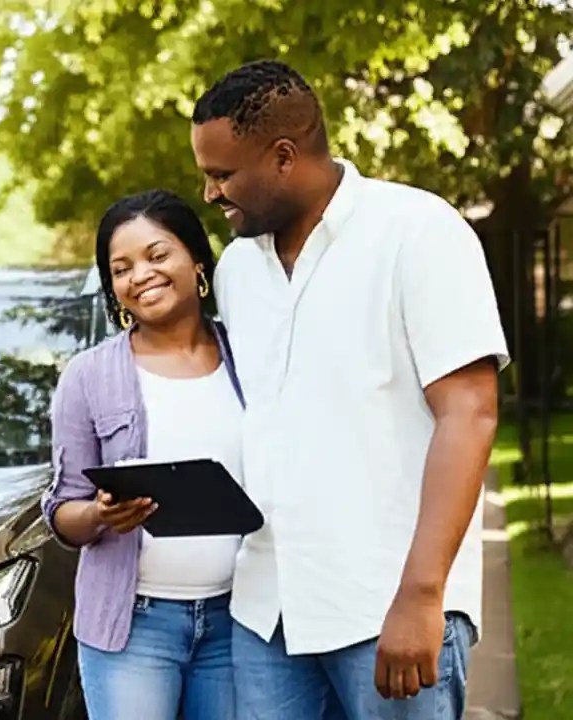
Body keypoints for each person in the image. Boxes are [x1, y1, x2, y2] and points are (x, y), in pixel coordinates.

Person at [189, 59, 509, 719]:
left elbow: (470, 414)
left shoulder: (418, 231)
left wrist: (422, 594)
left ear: (283, 156)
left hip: (387, 604)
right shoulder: (237, 271)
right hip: (267, 613)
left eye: (222, 174)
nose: (210, 193)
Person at [41, 189, 246, 719]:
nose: (141, 276)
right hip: (134, 627)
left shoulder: (250, 355)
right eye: (122, 268)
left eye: (157, 255)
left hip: (240, 620)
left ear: (196, 260)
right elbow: (62, 511)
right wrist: (100, 515)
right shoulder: (88, 376)